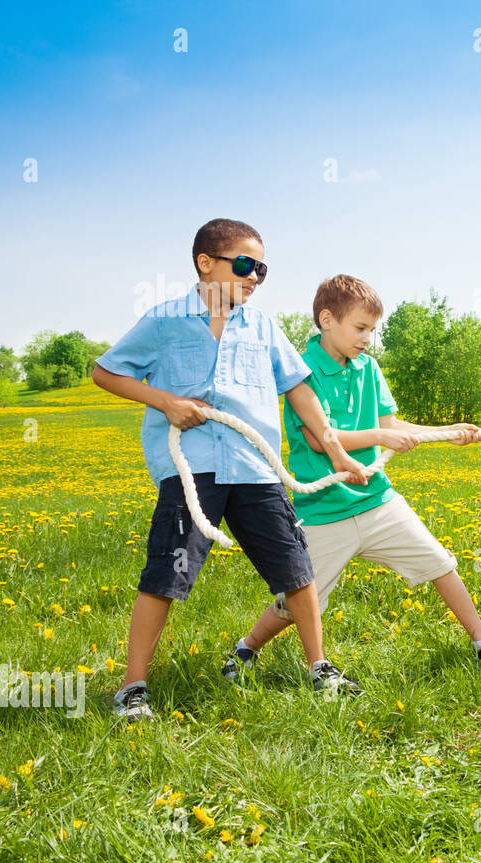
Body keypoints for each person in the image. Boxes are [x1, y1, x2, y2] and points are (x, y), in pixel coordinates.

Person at [92, 219, 368, 721]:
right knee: (164, 575)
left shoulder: (262, 326)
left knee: (296, 570)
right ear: (206, 263)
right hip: (192, 470)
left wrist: (336, 450)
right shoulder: (164, 320)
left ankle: (320, 667)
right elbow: (105, 371)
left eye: (262, 268)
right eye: (245, 264)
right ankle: (132, 688)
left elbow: (299, 388)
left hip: (256, 469)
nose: (255, 276)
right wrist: (166, 402)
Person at [223, 275, 481, 682]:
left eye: (372, 330)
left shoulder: (368, 367)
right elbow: (321, 439)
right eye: (360, 328)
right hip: (325, 512)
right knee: (296, 603)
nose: (368, 338)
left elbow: (391, 424)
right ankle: (246, 648)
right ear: (327, 320)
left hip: (377, 501)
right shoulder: (301, 371)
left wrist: (448, 431)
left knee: (440, 563)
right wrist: (379, 436)